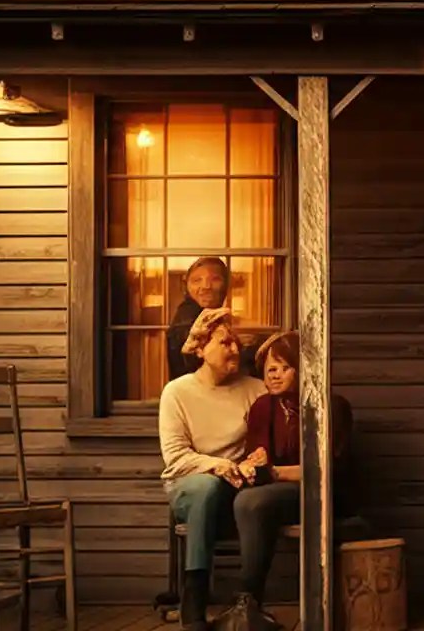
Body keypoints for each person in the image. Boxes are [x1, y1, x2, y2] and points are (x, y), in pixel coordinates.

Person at [232, 330, 355, 617]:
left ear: (304, 368)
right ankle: (249, 603)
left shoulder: (332, 406)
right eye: (270, 369)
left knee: (251, 502)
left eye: (284, 368)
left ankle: (246, 601)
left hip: (324, 492)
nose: (274, 375)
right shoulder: (263, 407)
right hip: (278, 496)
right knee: (249, 500)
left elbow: (327, 470)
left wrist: (274, 473)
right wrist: (256, 463)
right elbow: (258, 461)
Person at [159, 307, 267, 631]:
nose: (234, 349)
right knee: (206, 487)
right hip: (189, 485)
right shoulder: (177, 392)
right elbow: (176, 456)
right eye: (224, 343)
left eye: (236, 342)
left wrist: (256, 459)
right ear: (201, 349)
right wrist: (218, 466)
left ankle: (248, 604)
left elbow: (265, 439)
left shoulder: (256, 389)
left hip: (238, 486)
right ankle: (194, 601)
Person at [166, 257, 231, 381]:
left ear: (226, 285)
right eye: (197, 280)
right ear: (187, 286)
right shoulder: (186, 318)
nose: (206, 286)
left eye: (215, 279)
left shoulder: (216, 316)